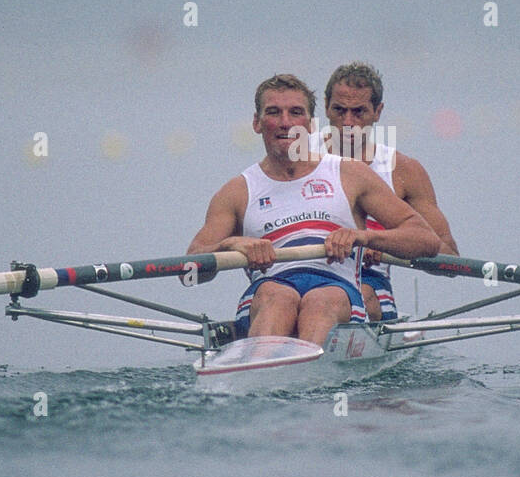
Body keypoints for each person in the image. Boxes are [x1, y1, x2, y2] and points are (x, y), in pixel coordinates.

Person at [186, 74, 440, 345]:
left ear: (310, 124)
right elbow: (189, 271)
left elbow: (427, 241)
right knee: (278, 298)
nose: (285, 123)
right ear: (257, 123)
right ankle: (264, 371)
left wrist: (364, 238)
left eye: (295, 113)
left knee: (321, 301)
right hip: (269, 291)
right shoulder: (236, 191)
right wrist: (231, 245)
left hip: (336, 292)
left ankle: (281, 370)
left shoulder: (349, 174)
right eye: (273, 112)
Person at [316, 63, 459, 322]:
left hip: (369, 284)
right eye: (339, 110)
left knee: (355, 299)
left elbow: (449, 258)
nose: (347, 122)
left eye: (359, 112)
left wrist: (386, 248)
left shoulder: (403, 171)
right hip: (303, 273)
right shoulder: (299, 159)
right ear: (326, 106)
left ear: (378, 112)